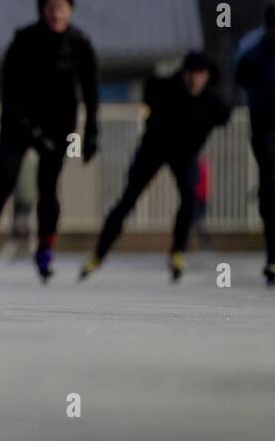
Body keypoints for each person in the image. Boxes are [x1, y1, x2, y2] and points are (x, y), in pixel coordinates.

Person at [0, 0, 99, 281]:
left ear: (70, 12)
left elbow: (92, 94)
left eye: (62, 9)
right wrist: (25, 125)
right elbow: (9, 90)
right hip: (20, 121)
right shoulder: (23, 40)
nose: (57, 15)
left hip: (59, 126)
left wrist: (91, 132)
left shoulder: (80, 45)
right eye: (51, 8)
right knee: (4, 179)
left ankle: (44, 250)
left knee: (48, 186)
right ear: (41, 10)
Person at [81, 52, 230, 281]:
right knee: (128, 199)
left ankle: (178, 252)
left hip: (185, 154)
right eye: (190, 75)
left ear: (207, 77)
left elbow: (225, 113)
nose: (194, 81)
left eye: (200, 76)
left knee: (189, 198)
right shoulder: (166, 88)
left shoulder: (212, 100)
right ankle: (98, 254)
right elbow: (151, 88)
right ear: (183, 73)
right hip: (154, 149)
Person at [235, 0, 275, 285]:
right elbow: (240, 76)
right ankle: (272, 255)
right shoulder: (253, 51)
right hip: (265, 127)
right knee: (270, 184)